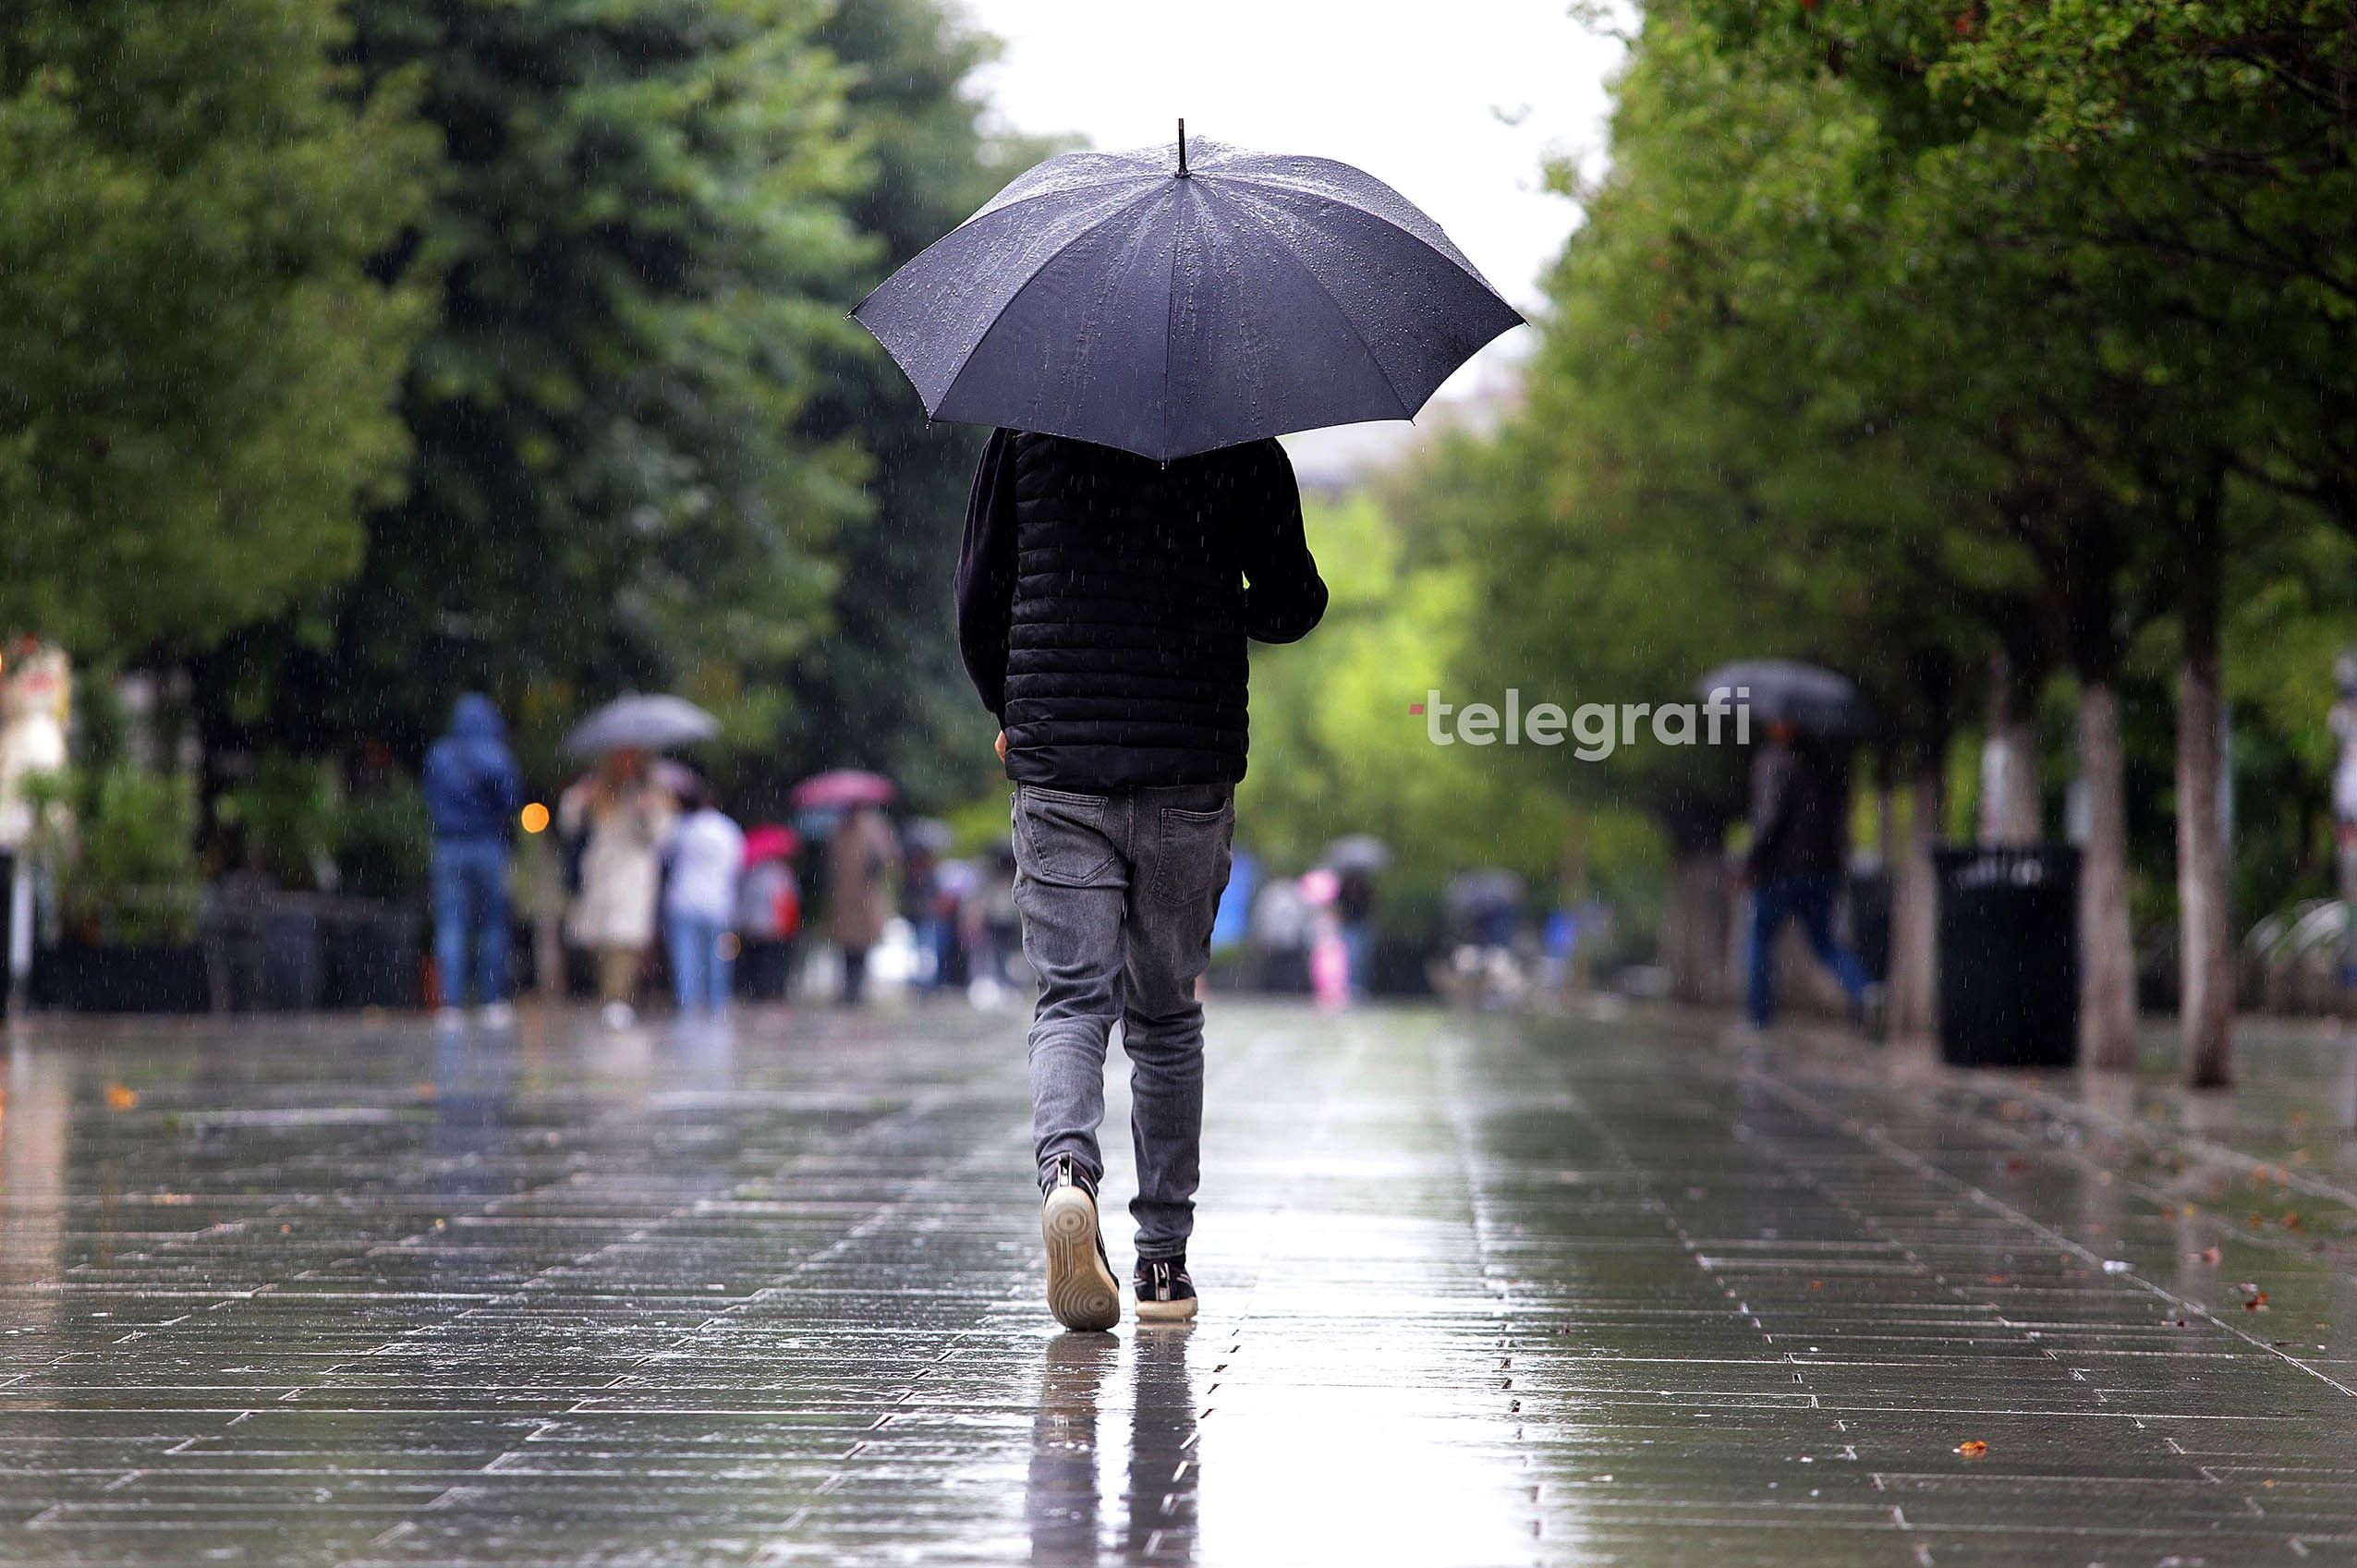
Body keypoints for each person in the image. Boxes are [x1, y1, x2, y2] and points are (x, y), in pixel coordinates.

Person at [957, 426, 1327, 1331]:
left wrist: (1012, 707)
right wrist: (1210, 596)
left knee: (1072, 1000)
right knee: (1164, 1012)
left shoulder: (1028, 433)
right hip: (1184, 762)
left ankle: (1067, 1175)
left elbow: (979, 596)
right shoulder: (1240, 441)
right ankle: (1163, 1264)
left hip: (1060, 766)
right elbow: (1292, 602)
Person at [1743, 718, 1871, 1028]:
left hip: (1781, 872)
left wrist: (1753, 859)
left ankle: (1759, 1019)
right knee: (1826, 944)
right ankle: (1866, 992)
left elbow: (1770, 817)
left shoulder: (1773, 761)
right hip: (1823, 871)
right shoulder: (1824, 765)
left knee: (1759, 940)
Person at [420, 694, 524, 1027]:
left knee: (450, 925)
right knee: (493, 925)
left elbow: (430, 797)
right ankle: (491, 1001)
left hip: (448, 847)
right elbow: (512, 801)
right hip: (489, 846)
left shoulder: (439, 755)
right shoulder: (498, 756)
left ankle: (450, 1005)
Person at [559, 749, 676, 1028]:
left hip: (634, 870)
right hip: (601, 870)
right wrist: (580, 801)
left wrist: (649, 812)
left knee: (626, 936)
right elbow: (569, 824)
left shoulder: (654, 792)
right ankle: (609, 995)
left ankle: (618, 998)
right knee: (600, 939)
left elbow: (662, 836)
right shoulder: (595, 789)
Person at [663, 784, 745, 1013]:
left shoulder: (682, 828)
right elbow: (736, 866)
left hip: (683, 901)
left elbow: (665, 855)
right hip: (718, 903)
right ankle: (718, 1002)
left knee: (685, 957)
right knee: (718, 957)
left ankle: (687, 1002)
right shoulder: (729, 830)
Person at [826, 805, 899, 1004]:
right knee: (851, 951)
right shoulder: (848, 831)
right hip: (850, 900)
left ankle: (854, 990)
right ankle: (852, 990)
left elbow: (886, 859)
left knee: (859, 950)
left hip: (863, 900)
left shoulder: (867, 829)